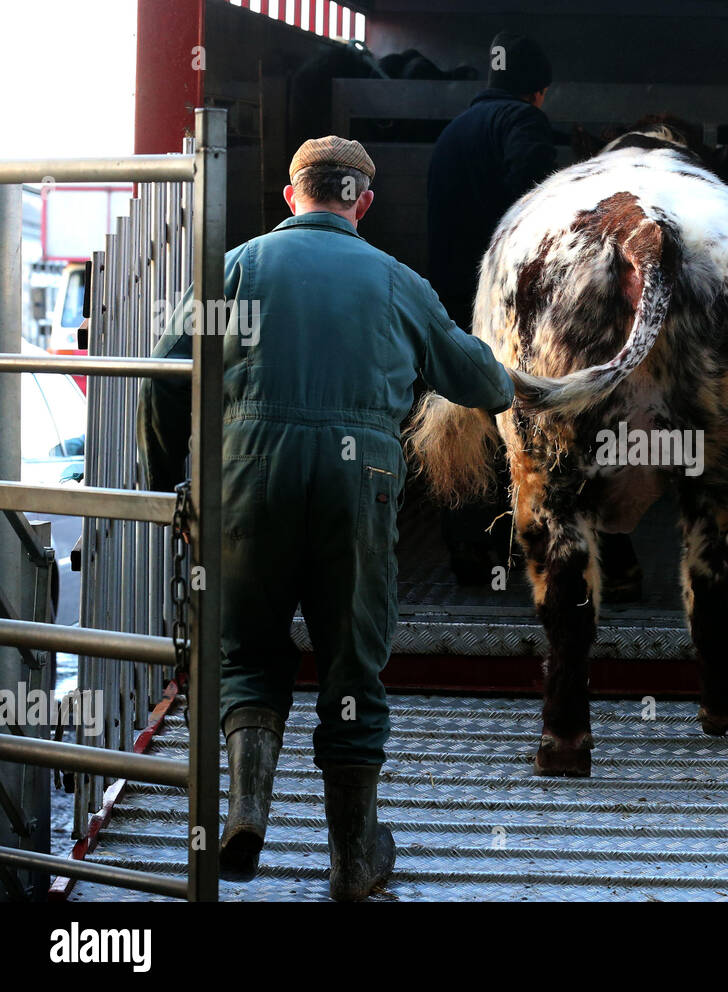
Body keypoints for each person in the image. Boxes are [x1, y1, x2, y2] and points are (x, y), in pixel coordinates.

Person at [137, 136, 514, 901]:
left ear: (290, 195)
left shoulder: (236, 268)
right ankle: (352, 859)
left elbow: (166, 375)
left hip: (246, 482)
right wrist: (505, 371)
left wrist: (171, 481)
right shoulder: (395, 280)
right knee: (352, 664)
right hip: (357, 485)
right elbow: (481, 382)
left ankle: (247, 807)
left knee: (246, 650)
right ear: (362, 202)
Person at [425, 32, 556, 585]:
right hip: (508, 305)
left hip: (452, 298)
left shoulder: (453, 132)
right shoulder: (524, 125)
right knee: (520, 417)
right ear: (540, 92)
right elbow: (533, 209)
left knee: (458, 420)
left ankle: (466, 550)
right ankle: (519, 544)